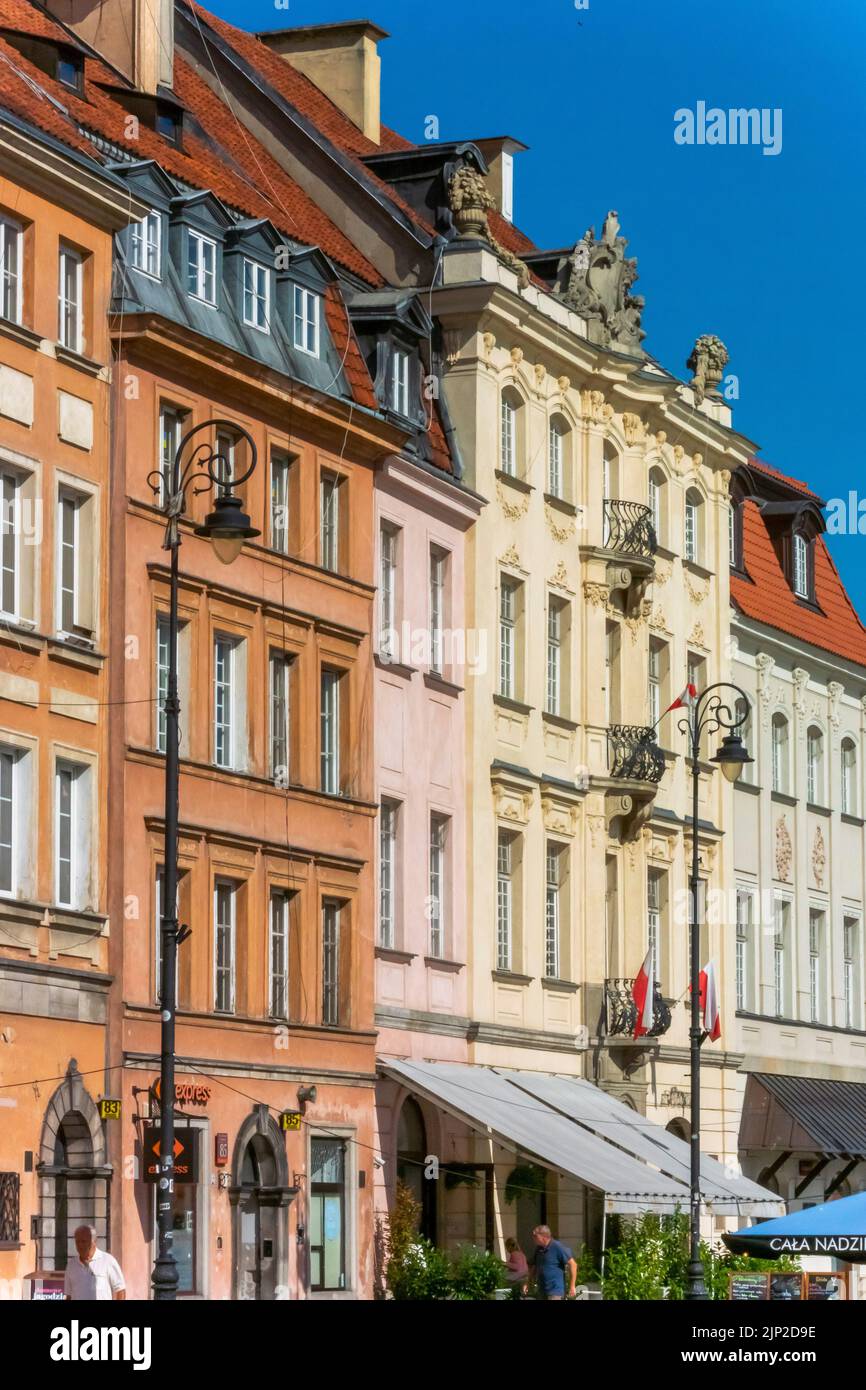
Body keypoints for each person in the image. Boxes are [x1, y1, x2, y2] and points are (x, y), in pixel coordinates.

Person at [64, 1225, 126, 1301]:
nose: (80, 1245)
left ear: (94, 1241)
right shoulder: (71, 1265)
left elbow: (120, 1290)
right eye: (77, 1241)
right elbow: (68, 1295)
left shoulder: (108, 1260)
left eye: (83, 1241)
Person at [529, 1224, 577, 1301]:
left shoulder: (557, 1246)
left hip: (555, 1291)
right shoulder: (538, 1249)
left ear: (543, 1237)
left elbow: (573, 1264)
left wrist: (572, 1286)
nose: (533, 1238)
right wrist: (528, 1282)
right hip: (542, 1290)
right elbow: (534, 1266)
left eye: (535, 1236)